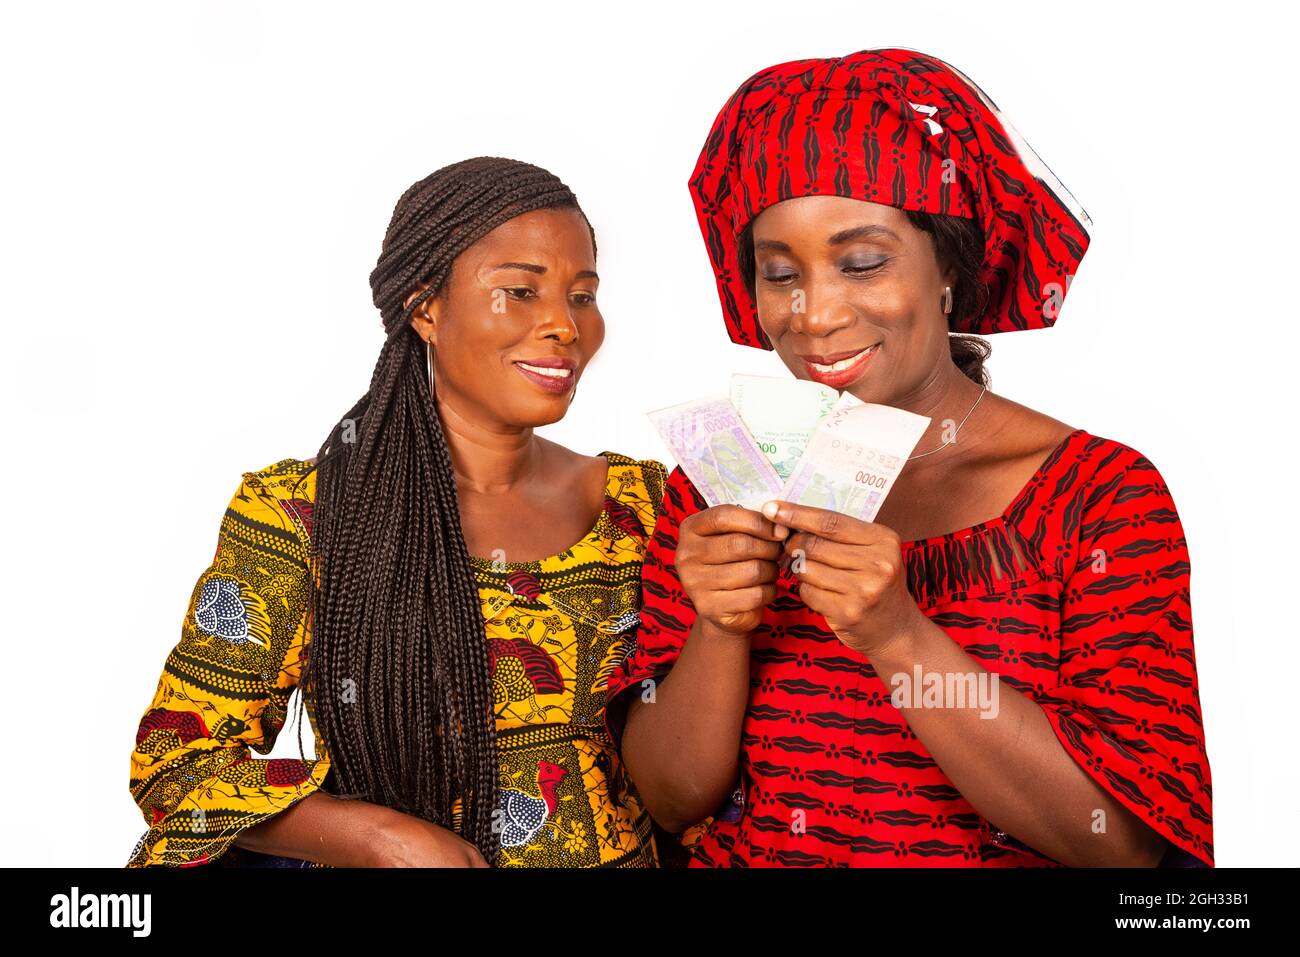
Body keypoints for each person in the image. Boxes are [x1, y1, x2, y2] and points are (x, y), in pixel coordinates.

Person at [606, 49, 1214, 867]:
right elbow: (671, 800)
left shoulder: (1097, 498)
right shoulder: (722, 482)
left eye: (862, 263)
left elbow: (1129, 845)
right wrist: (720, 626)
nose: (814, 314)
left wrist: (899, 638)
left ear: (950, 270)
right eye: (779, 272)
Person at [127, 157, 668, 868]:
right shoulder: (303, 516)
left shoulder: (640, 504)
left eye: (582, 295)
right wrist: (385, 839)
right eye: (521, 291)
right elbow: (177, 762)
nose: (564, 326)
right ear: (426, 309)